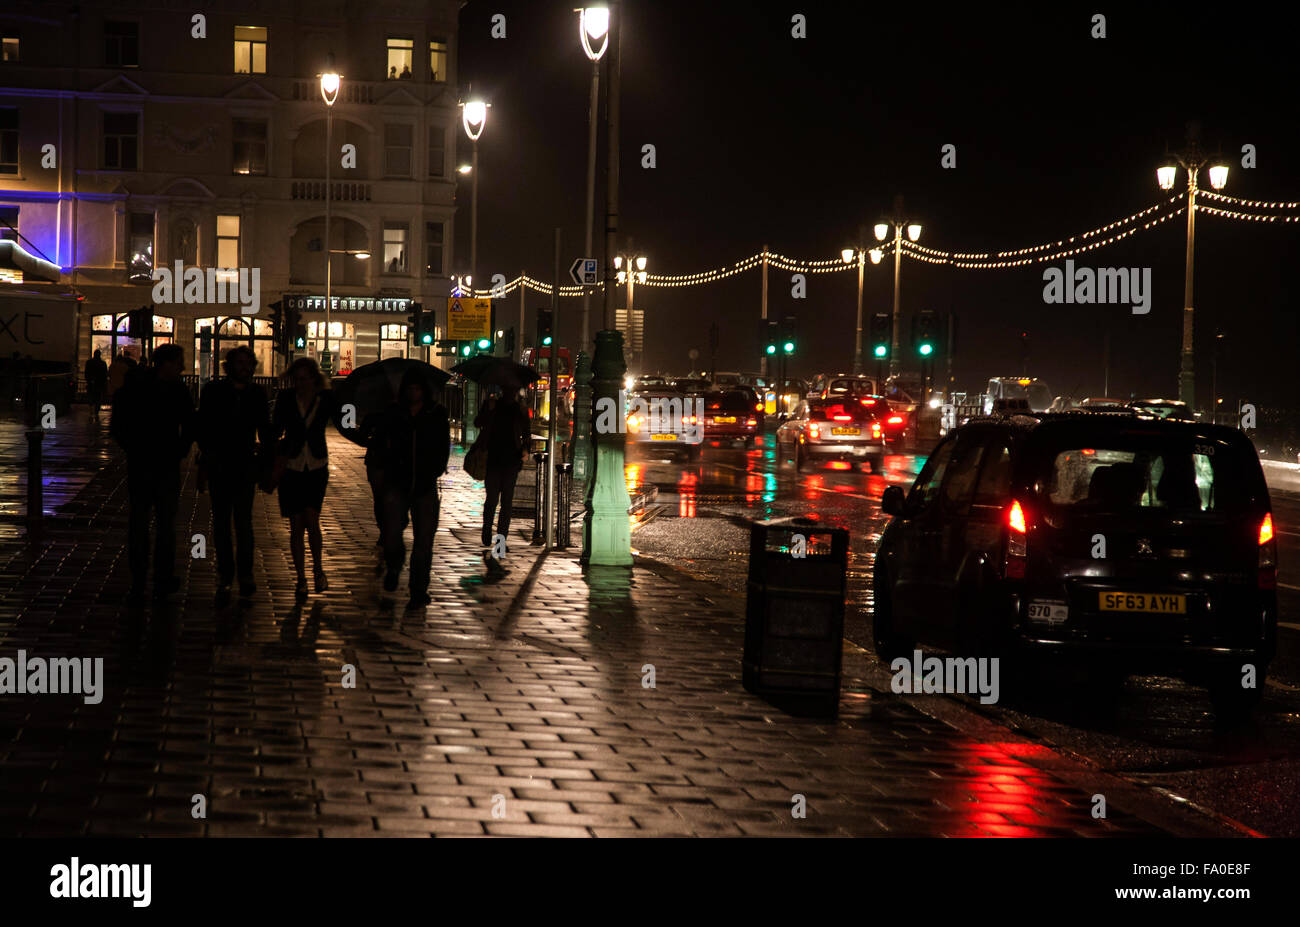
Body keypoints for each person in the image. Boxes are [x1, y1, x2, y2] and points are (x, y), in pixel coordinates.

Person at [110, 344, 195, 604]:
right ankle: (157, 578)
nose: (182, 367)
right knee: (161, 524)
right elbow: (189, 423)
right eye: (178, 362)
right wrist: (178, 449)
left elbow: (119, 425)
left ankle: (143, 580)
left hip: (147, 462)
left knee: (144, 522)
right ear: (165, 364)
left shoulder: (138, 386)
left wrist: (134, 448)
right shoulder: (173, 389)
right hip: (156, 462)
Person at [197, 346, 271, 603]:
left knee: (243, 522)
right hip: (220, 464)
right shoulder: (214, 391)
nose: (244, 368)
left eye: (248, 364)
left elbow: (264, 428)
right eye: (239, 363)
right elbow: (203, 426)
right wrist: (207, 454)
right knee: (221, 523)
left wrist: (266, 457)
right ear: (230, 366)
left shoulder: (257, 394)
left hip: (244, 465)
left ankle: (245, 574)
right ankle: (226, 573)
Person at [372, 370, 450, 606]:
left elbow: (442, 445)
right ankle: (394, 566)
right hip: (397, 482)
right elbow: (379, 442)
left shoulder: (435, 414)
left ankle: (418, 589)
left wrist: (436, 468)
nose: (413, 392)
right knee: (392, 534)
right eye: (409, 387)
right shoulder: (394, 414)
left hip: (425, 485)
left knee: (424, 541)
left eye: (417, 387)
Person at [269, 357, 335, 602]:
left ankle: (318, 569)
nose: (301, 384)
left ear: (314, 379)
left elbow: (343, 419)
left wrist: (363, 438)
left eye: (305, 379)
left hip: (317, 465)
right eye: (297, 379)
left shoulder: (325, 398)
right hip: (292, 465)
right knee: (296, 525)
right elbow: (275, 428)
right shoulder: (286, 399)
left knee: (312, 519)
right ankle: (301, 579)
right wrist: (268, 444)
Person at [475, 385, 531, 555]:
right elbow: (478, 423)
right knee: (492, 500)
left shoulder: (520, 410)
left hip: (511, 462)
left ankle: (500, 541)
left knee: (506, 503)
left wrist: (525, 449)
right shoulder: (492, 405)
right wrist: (489, 409)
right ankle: (487, 529)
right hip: (492, 460)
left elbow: (526, 433)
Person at [84, 349, 108, 421]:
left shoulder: (89, 362)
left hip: (91, 383)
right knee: (98, 397)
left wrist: (89, 380)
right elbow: (105, 374)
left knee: (91, 396)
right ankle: (96, 411)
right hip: (99, 383)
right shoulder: (103, 363)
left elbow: (86, 373)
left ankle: (91, 410)